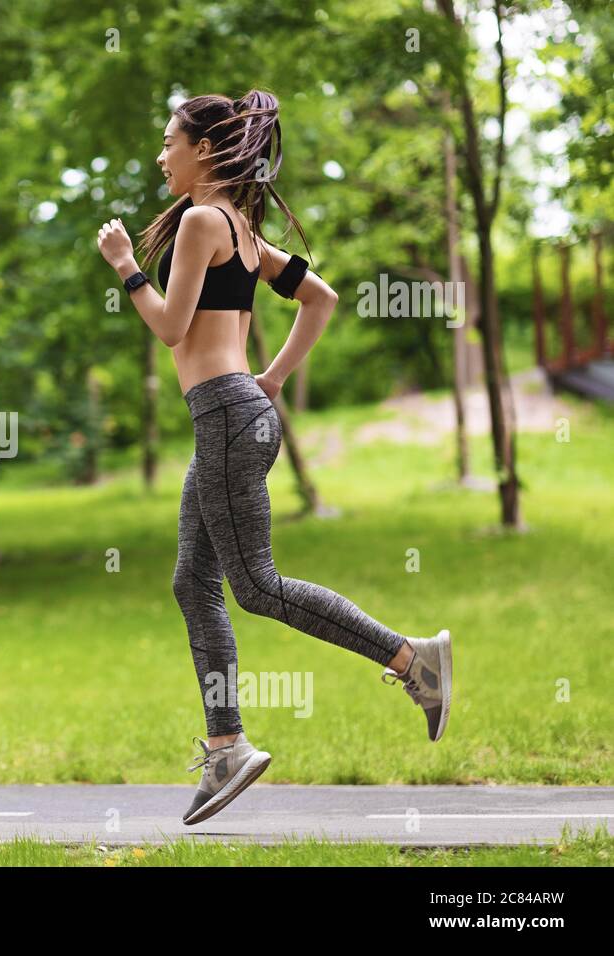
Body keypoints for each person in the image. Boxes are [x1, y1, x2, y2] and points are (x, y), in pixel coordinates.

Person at [95, 90, 452, 826]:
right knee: (195, 583)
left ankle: (413, 659)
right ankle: (226, 744)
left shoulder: (203, 221)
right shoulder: (244, 233)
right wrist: (276, 378)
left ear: (204, 148)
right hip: (233, 413)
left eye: (170, 142)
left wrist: (127, 265)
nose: (161, 155)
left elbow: (168, 325)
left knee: (254, 585)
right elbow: (319, 300)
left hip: (228, 414)